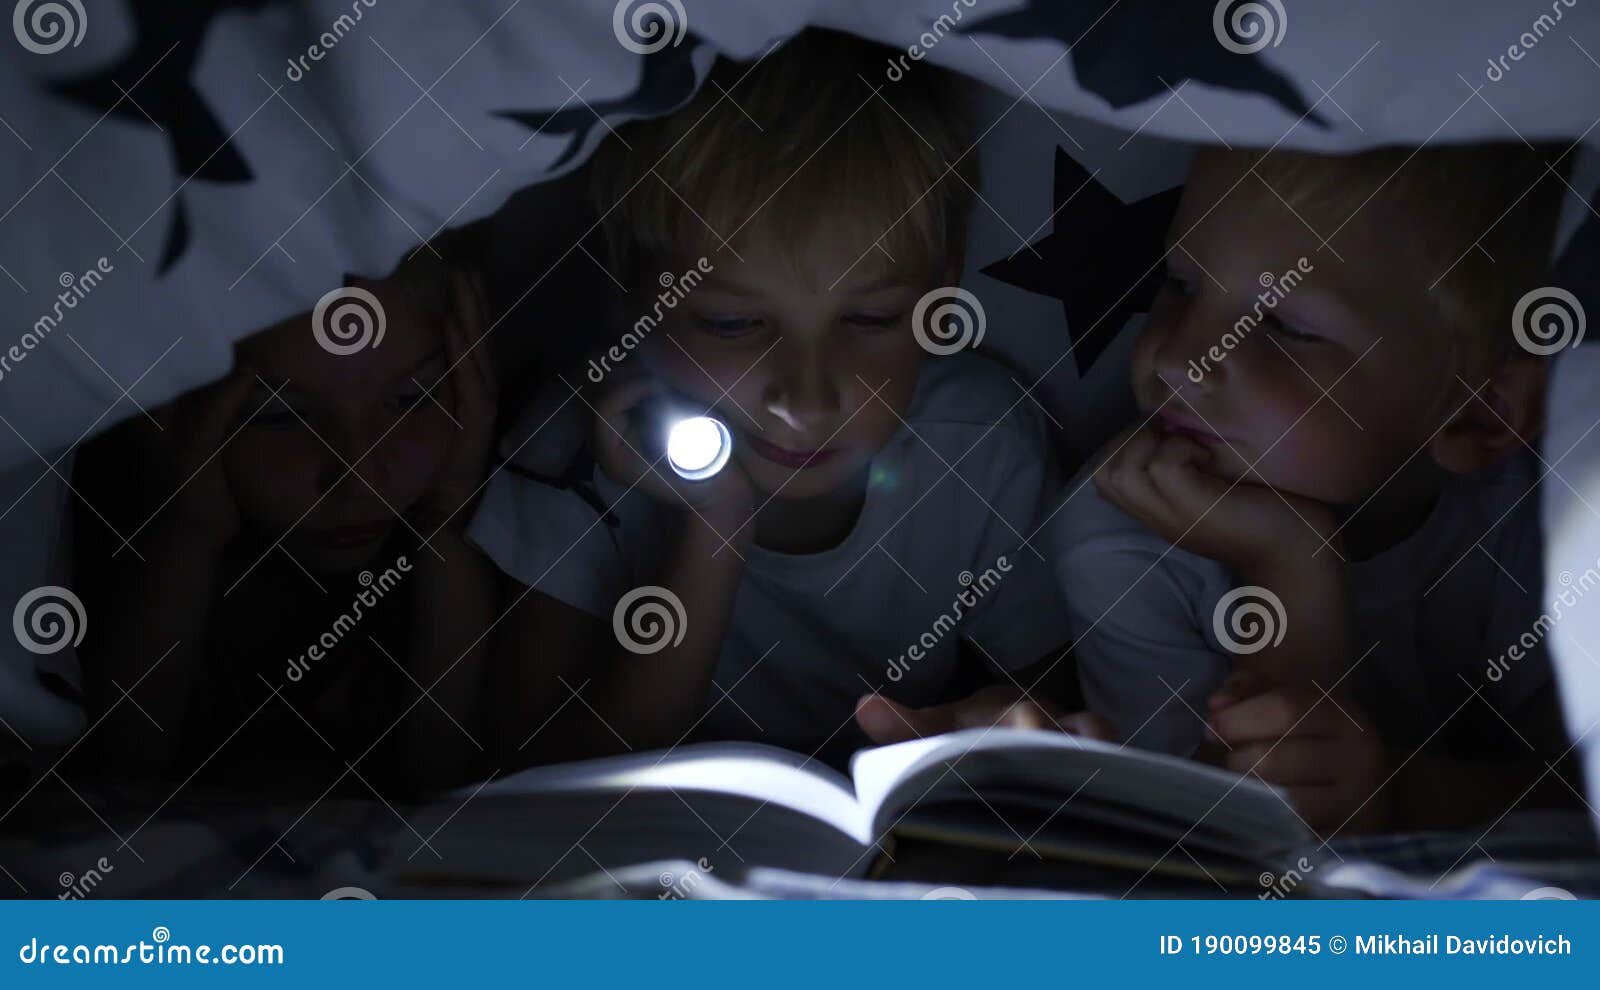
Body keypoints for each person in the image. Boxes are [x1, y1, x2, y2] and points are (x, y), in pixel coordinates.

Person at [471, 31, 1075, 768]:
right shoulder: (569, 456)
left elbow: (1051, 713)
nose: (806, 399)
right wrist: (716, 527)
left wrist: (999, 730)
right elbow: (534, 777)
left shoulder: (980, 442)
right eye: (734, 324)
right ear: (637, 298)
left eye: (870, 319)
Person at [1051, 143, 1579, 831]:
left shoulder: (1552, 522)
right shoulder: (1121, 526)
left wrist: (1399, 792)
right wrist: (1289, 565)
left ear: (1478, 411)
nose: (1182, 357)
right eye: (1180, 283)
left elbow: (1579, 799)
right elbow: (1218, 849)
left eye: (1284, 327)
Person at [73, 258, 501, 793]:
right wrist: (187, 535)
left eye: (411, 399)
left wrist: (451, 523)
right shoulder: (76, 551)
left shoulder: (514, 555)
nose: (358, 476)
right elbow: (110, 810)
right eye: (279, 415)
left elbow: (445, 817)